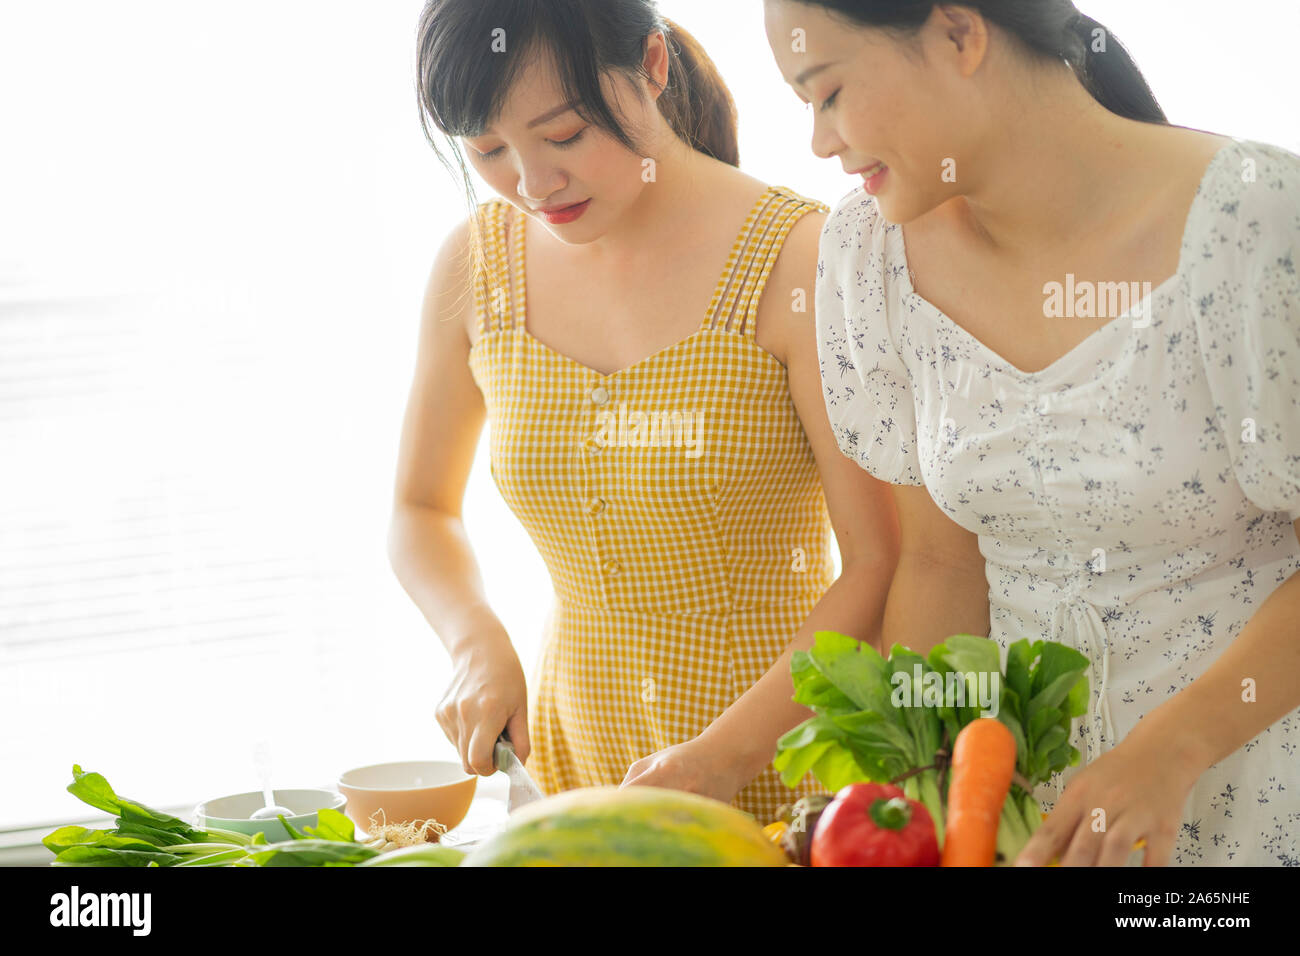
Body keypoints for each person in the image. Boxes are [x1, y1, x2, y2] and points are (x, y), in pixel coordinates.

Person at [764, 0, 1300, 865]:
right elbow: (941, 562)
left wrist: (1177, 743)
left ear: (959, 33)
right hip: (1027, 825)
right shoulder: (870, 255)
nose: (820, 142)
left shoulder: (1256, 224)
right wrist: (931, 794)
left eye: (827, 93)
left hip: (1253, 800)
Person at [388, 0, 900, 823]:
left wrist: (722, 759)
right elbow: (420, 509)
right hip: (571, 758)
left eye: (563, 135)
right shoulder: (477, 265)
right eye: (487, 149)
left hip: (782, 765)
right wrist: (475, 640)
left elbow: (883, 564)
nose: (532, 182)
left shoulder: (803, 258)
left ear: (652, 66)